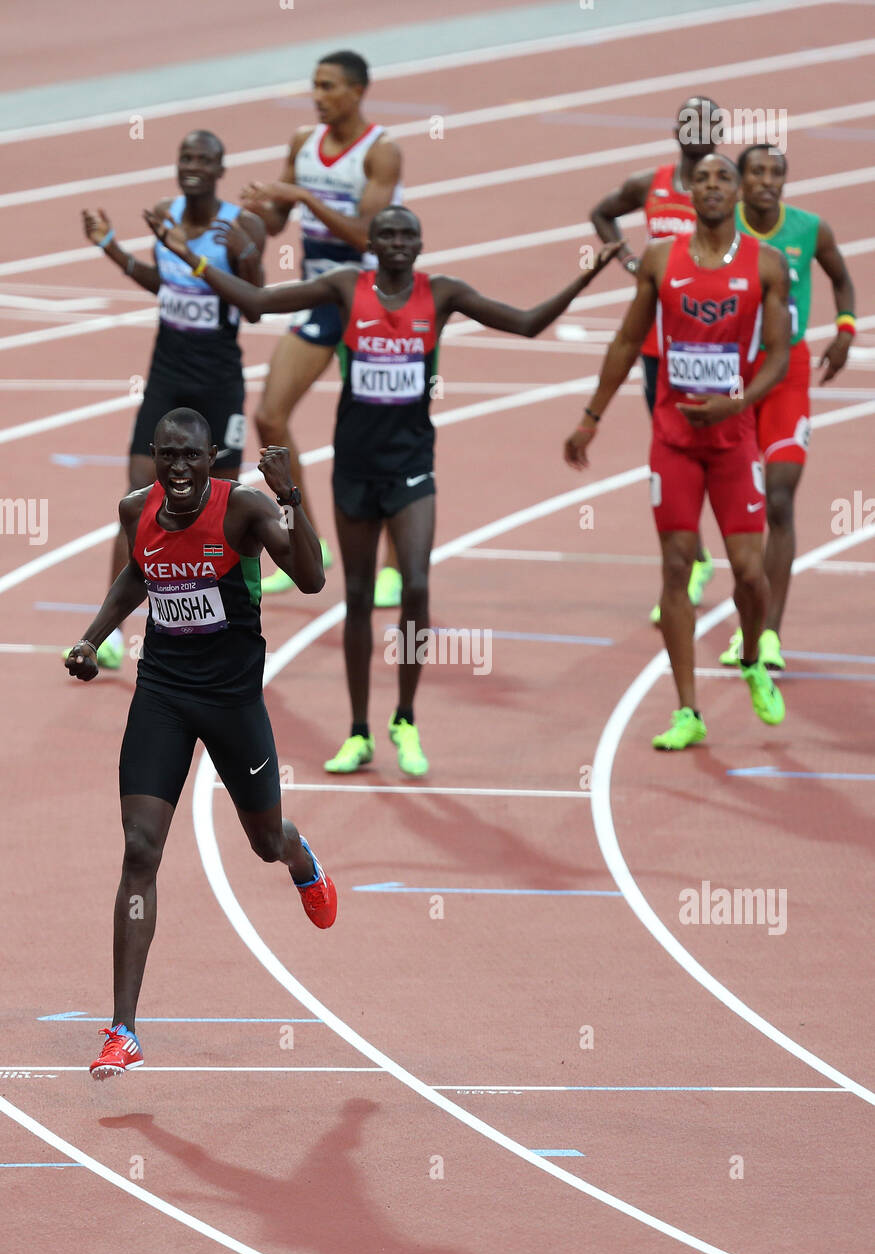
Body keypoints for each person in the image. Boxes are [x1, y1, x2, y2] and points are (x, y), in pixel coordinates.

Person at [149, 203, 621, 775]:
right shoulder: (347, 287)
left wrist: (589, 274)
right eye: (387, 234)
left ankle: (404, 717)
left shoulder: (441, 294)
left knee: (417, 585)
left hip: (412, 466)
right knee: (358, 598)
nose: (397, 241)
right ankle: (358, 731)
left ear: (419, 246)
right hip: (354, 467)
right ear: (372, 243)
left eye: (407, 234)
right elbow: (255, 303)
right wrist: (186, 254)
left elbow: (526, 322)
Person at [64, 409, 336, 1080]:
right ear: (154, 457)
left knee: (263, 840)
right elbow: (138, 573)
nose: (178, 469)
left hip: (232, 704)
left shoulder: (241, 509)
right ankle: (123, 1029)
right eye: (167, 456)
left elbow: (311, 579)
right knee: (139, 848)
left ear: (211, 457)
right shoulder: (138, 509)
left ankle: (298, 855)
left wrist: (291, 497)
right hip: (162, 694)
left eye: (191, 456)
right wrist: (93, 636)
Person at [565, 154, 791, 750]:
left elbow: (778, 356)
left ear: (739, 193)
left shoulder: (765, 265)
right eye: (704, 179)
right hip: (674, 441)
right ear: (689, 192)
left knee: (749, 572)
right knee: (675, 565)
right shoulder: (663, 261)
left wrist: (735, 403)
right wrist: (591, 418)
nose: (712, 186)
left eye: (725, 179)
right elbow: (625, 340)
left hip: (733, 442)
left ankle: (750, 659)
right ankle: (688, 709)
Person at [81, 130, 266, 668]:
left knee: (225, 503)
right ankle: (112, 631)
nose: (194, 165)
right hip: (166, 373)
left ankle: (236, 617)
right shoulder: (165, 213)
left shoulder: (242, 225)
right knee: (139, 494)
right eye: (186, 156)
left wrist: (244, 255)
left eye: (205, 158)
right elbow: (162, 284)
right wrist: (110, 245)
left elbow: (254, 306)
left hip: (218, 379)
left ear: (221, 167)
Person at [239, 49, 405, 606]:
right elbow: (280, 220)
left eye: (330, 86)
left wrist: (306, 196)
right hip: (318, 300)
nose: (319, 95)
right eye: (315, 85)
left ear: (358, 91)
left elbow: (367, 236)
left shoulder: (381, 153)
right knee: (269, 415)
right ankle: (306, 539)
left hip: (371, 303)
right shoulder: (301, 144)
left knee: (383, 438)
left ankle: (393, 566)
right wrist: (257, 210)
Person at [718, 143, 857, 670]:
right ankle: (745, 623)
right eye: (756, 172)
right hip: (731, 371)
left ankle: (768, 634)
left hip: (786, 373)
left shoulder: (809, 229)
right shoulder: (719, 226)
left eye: (776, 173)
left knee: (778, 500)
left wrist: (845, 328)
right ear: (739, 181)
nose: (767, 181)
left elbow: (841, 276)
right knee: (741, 508)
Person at [591, 95, 724, 621]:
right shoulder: (651, 184)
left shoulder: (726, 190)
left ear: (718, 131)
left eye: (706, 122)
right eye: (687, 121)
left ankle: (714, 554)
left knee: (720, 452)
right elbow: (601, 213)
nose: (695, 130)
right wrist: (626, 259)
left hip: (717, 348)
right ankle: (692, 560)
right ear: (676, 130)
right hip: (658, 346)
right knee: (673, 454)